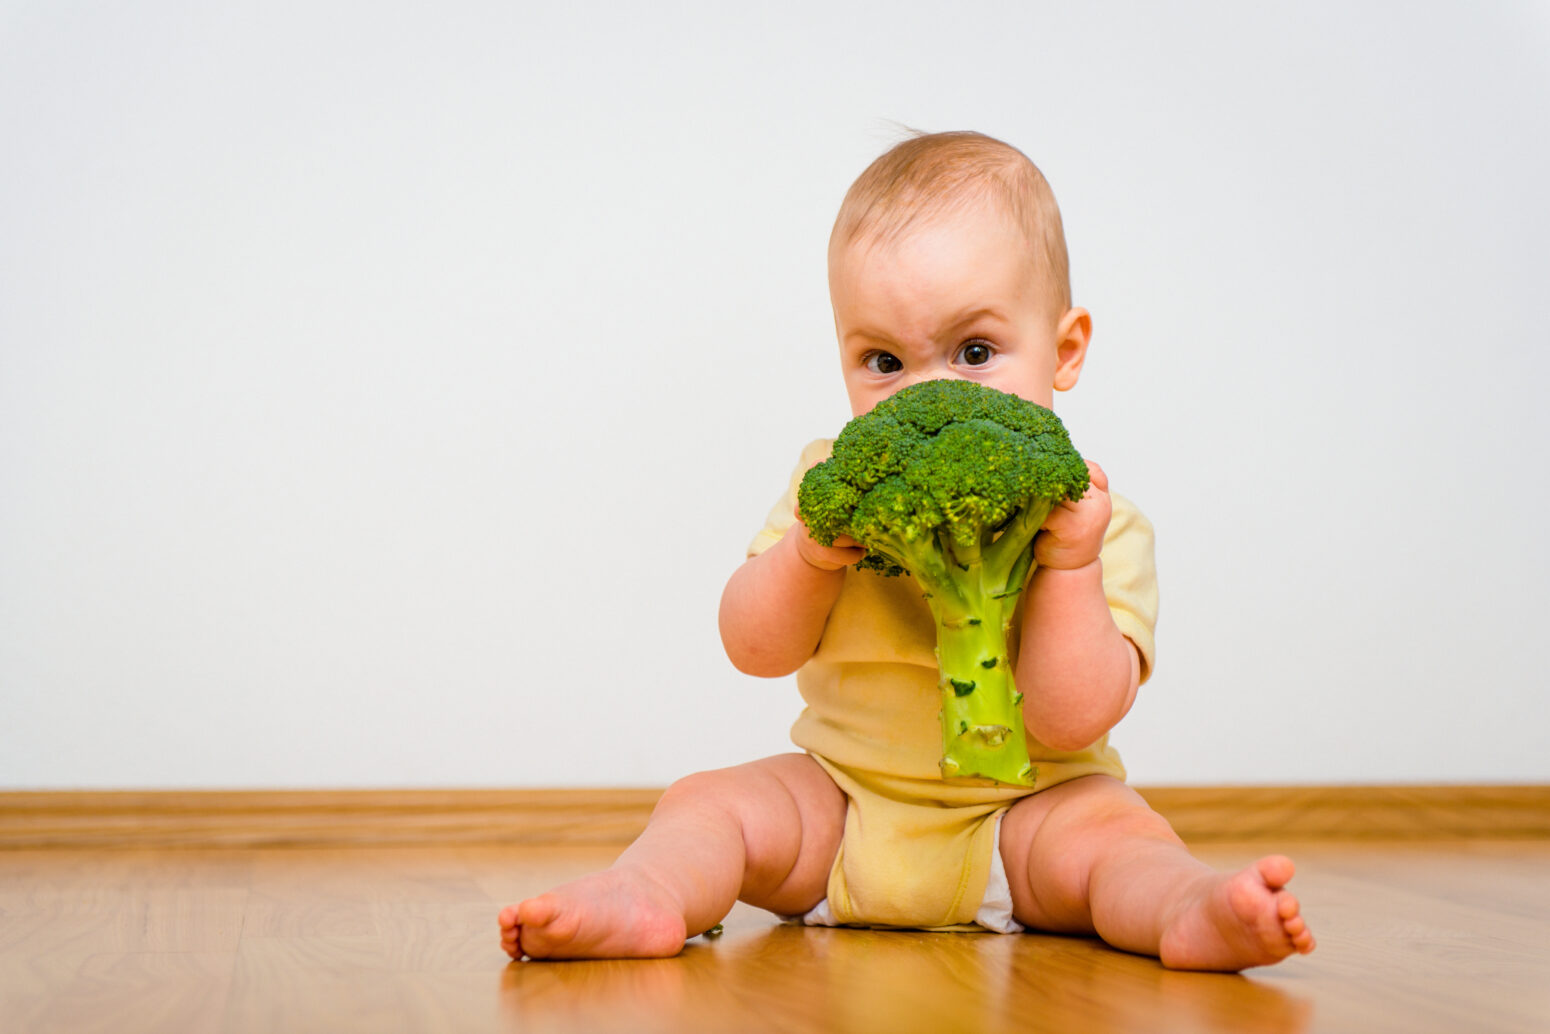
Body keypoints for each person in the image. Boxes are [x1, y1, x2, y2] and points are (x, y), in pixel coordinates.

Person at [499, 131, 1315, 971]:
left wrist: (1069, 568)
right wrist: (809, 558)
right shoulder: (832, 489)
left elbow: (1078, 717)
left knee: (1119, 838)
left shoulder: (1098, 522)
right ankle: (648, 895)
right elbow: (752, 647)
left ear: (1065, 349)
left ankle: (1189, 909)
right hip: (844, 808)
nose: (928, 395)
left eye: (973, 353)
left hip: (1028, 816)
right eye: (883, 361)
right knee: (710, 804)